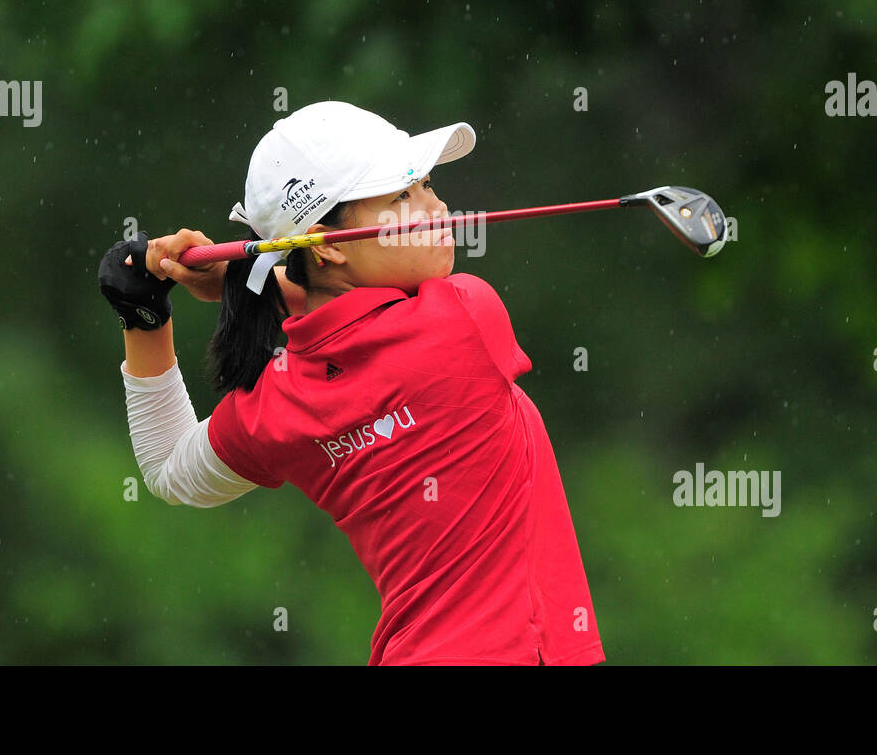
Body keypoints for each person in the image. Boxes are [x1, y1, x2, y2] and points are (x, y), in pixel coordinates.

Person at [98, 100, 604, 665]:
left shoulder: (278, 397)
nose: (436, 206)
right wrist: (239, 282)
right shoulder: (466, 316)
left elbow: (169, 467)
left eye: (428, 183)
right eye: (400, 197)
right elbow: (373, 325)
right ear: (329, 245)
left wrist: (144, 316)